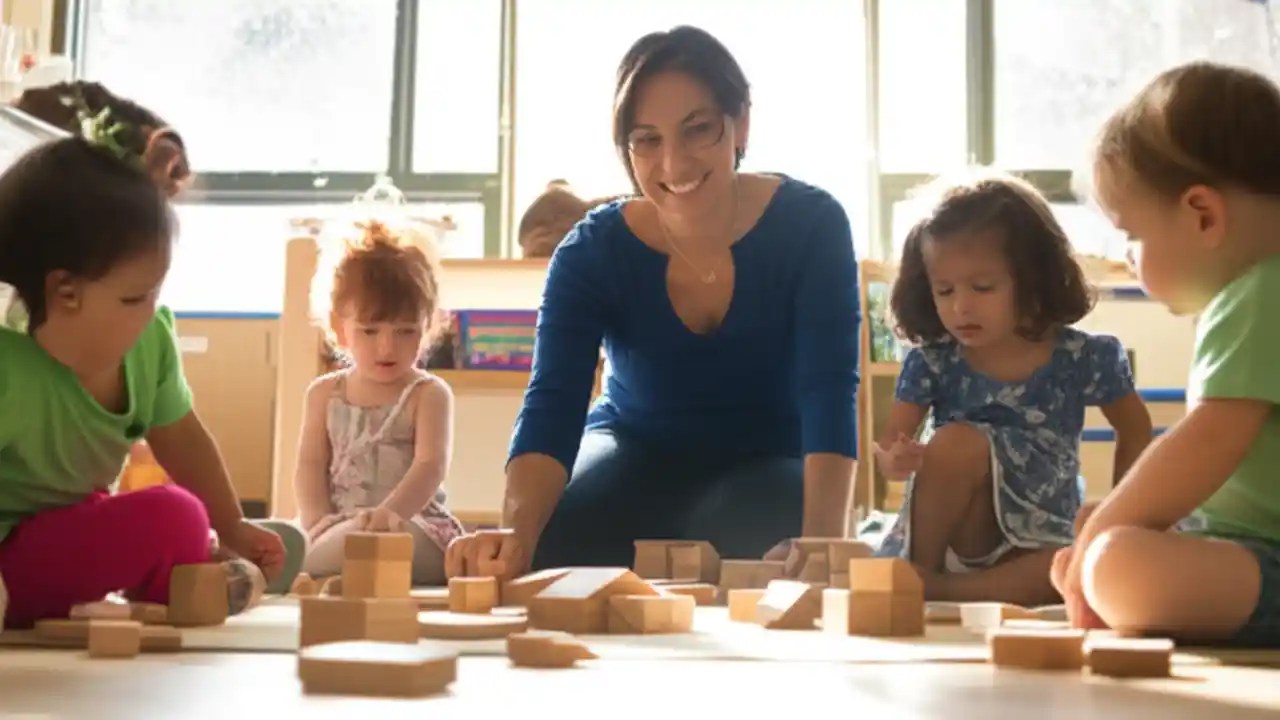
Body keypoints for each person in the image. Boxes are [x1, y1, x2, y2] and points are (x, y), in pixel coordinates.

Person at [445, 25, 860, 579]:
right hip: (634, 445)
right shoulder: (590, 251)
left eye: (698, 130)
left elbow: (829, 391)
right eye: (648, 139)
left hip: (770, 457)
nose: (674, 163)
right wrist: (516, 534)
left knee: (748, 535)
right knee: (560, 538)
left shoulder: (813, 225)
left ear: (740, 123)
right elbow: (554, 401)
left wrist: (825, 539)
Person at [0, 100, 284, 629]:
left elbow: (184, 438)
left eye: (155, 293)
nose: (151, 312)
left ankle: (185, 577)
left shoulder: (148, 344)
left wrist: (233, 524)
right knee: (175, 519)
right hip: (8, 550)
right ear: (66, 293)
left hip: (70, 536)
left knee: (178, 516)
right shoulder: (9, 364)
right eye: (134, 299)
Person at [1055, 61, 1280, 646]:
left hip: (1269, 556)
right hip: (1250, 543)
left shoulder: (1260, 292)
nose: (1129, 256)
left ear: (1203, 215)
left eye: (1132, 234)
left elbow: (1209, 440)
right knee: (1111, 542)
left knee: (1116, 561)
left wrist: (1108, 529)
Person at [873, 169, 1152, 606]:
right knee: (955, 442)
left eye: (982, 287)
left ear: (1034, 279)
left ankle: (938, 591)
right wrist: (895, 458)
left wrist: (1119, 519)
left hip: (1037, 540)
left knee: (1071, 567)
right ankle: (920, 573)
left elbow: (1135, 428)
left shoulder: (1082, 357)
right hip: (953, 537)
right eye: (944, 290)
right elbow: (891, 445)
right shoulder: (934, 361)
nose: (961, 306)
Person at [294, 221, 464, 586]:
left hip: (412, 526)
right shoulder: (324, 394)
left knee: (374, 543)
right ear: (340, 329)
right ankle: (330, 570)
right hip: (340, 525)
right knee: (285, 537)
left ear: (428, 327)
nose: (387, 348)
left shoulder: (428, 394)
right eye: (370, 331)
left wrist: (389, 514)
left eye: (405, 331)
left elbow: (430, 466)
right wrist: (314, 520)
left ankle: (322, 570)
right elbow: (310, 465)